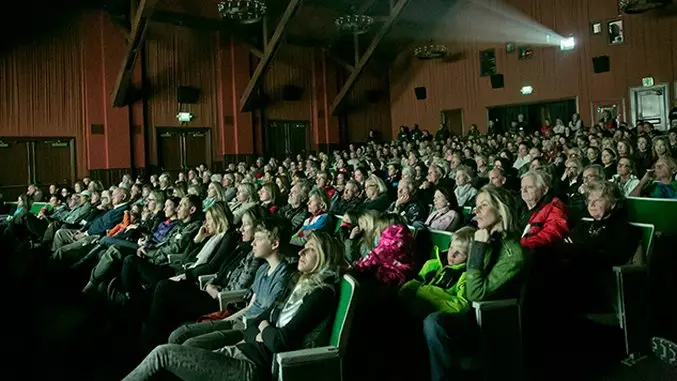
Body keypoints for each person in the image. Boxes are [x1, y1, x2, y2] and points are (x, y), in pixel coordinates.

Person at [122, 231, 344, 381]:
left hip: (252, 366)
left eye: (310, 249)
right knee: (177, 356)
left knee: (163, 355)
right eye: (303, 247)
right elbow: (254, 321)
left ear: (324, 257)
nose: (300, 252)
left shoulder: (321, 294)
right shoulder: (297, 283)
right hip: (243, 350)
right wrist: (261, 329)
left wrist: (264, 330)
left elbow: (280, 340)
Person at [141, 215, 292, 351]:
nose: (253, 243)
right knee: (179, 334)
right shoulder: (263, 269)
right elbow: (251, 306)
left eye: (258, 239)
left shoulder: (282, 278)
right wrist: (225, 321)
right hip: (237, 318)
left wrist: (228, 324)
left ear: (274, 244)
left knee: (188, 342)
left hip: (249, 328)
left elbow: (265, 317)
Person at [423, 185, 526, 381]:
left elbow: (475, 293)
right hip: (461, 306)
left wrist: (478, 248)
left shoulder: (513, 254)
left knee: (433, 323)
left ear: (501, 210)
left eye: (483, 205)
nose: (475, 210)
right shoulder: (485, 238)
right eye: (476, 205)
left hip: (484, 322)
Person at [399, 226, 475, 320]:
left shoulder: (465, 275)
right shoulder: (432, 264)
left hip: (435, 311)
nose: (452, 254)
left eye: (459, 253)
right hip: (417, 301)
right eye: (451, 248)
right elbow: (417, 281)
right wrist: (404, 291)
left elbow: (462, 306)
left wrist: (433, 305)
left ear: (470, 257)